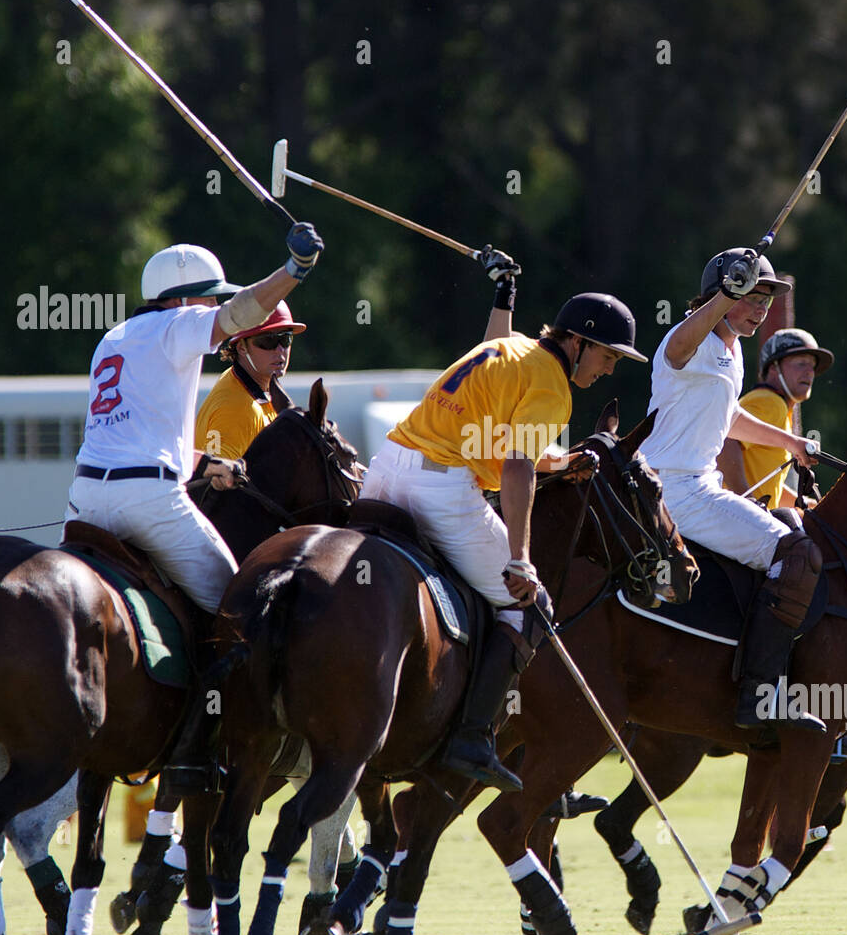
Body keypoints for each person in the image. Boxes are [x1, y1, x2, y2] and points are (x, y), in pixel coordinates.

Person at [360, 273, 647, 792]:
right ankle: (470, 738)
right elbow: (515, 467)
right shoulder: (551, 385)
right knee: (529, 607)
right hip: (441, 491)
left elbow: (503, 435)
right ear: (577, 342)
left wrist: (556, 463)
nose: (610, 368)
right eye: (608, 355)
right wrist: (521, 559)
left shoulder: (508, 347)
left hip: (384, 471)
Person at [64, 224, 322, 785]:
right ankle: (199, 742)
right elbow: (243, 313)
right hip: (146, 498)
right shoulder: (178, 325)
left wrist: (209, 465)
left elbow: (143, 432)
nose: (215, 307)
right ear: (182, 301)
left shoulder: (114, 337)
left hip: (87, 498)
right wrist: (295, 270)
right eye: (209, 297)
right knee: (241, 607)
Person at [638, 249, 825, 734]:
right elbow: (675, 351)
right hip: (677, 491)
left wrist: (792, 443)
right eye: (754, 296)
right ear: (725, 292)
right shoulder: (692, 339)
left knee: (789, 525)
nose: (762, 308)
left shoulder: (732, 349)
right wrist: (727, 295)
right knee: (797, 555)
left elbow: (729, 421)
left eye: (767, 298)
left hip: (696, 486)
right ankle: (760, 695)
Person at [718, 327, 834, 510]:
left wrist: (805, 504)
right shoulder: (769, 402)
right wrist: (747, 500)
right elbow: (725, 440)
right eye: (801, 363)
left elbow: (771, 490)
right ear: (774, 368)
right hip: (733, 515)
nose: (809, 372)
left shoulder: (775, 405)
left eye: (812, 366)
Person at [195, 301, 307, 461]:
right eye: (268, 341)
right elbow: (214, 483)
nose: (280, 350)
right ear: (241, 347)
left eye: (285, 339)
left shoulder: (246, 383)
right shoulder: (237, 408)